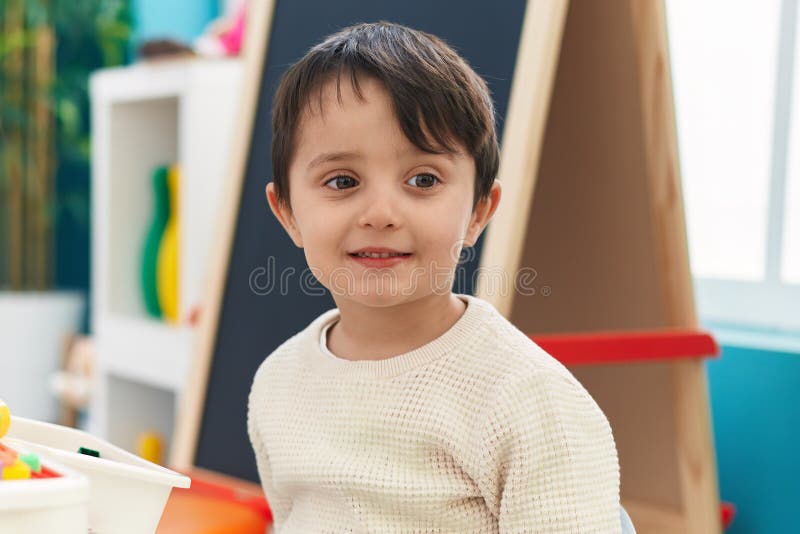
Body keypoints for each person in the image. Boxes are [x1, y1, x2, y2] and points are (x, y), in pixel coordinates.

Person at [248, 21, 622, 532]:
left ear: (478, 211)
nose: (380, 213)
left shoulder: (529, 400)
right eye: (342, 181)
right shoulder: (276, 383)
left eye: (423, 180)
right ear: (287, 211)